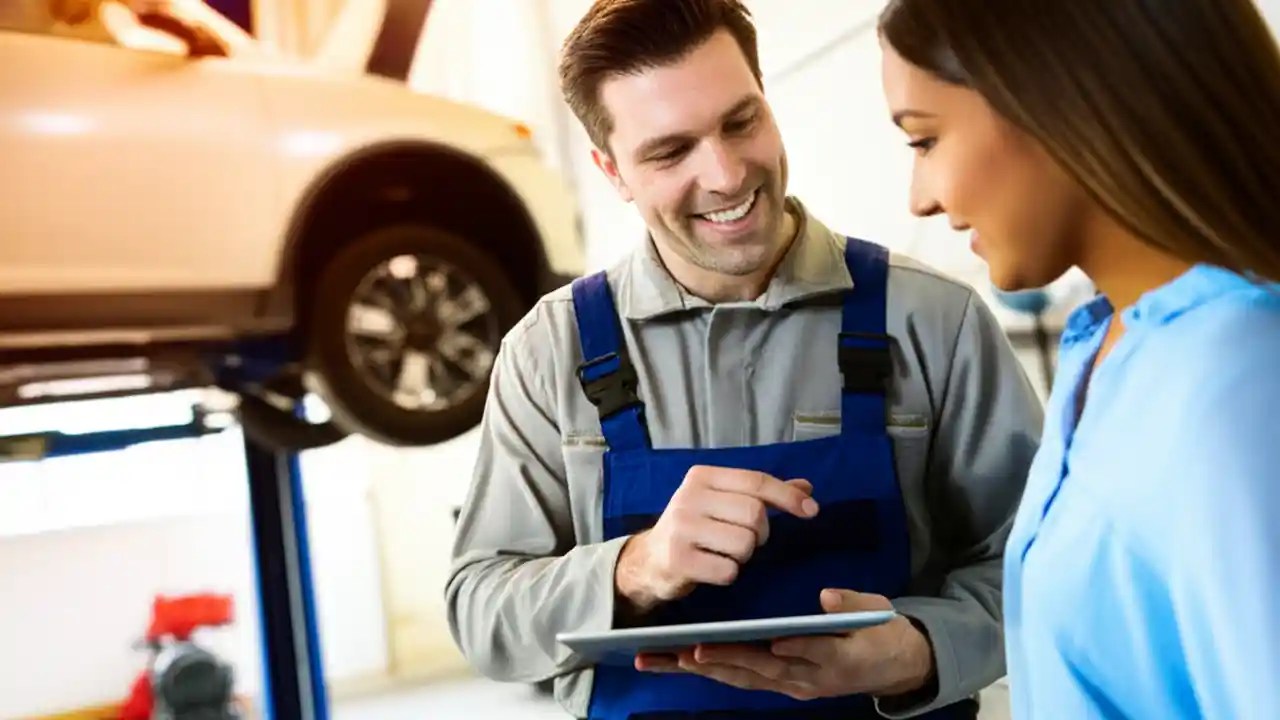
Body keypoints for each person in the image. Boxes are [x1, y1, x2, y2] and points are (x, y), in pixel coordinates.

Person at [447, 1, 1044, 718]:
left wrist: (919, 650)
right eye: (671, 153)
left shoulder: (931, 322)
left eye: (741, 123)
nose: (727, 176)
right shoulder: (550, 353)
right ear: (613, 171)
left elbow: (1041, 568)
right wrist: (636, 567)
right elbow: (481, 610)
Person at [877, 1, 1280, 718]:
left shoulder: (1237, 382)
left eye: (925, 140)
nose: (921, 199)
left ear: (1047, 97)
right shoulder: (1105, 346)